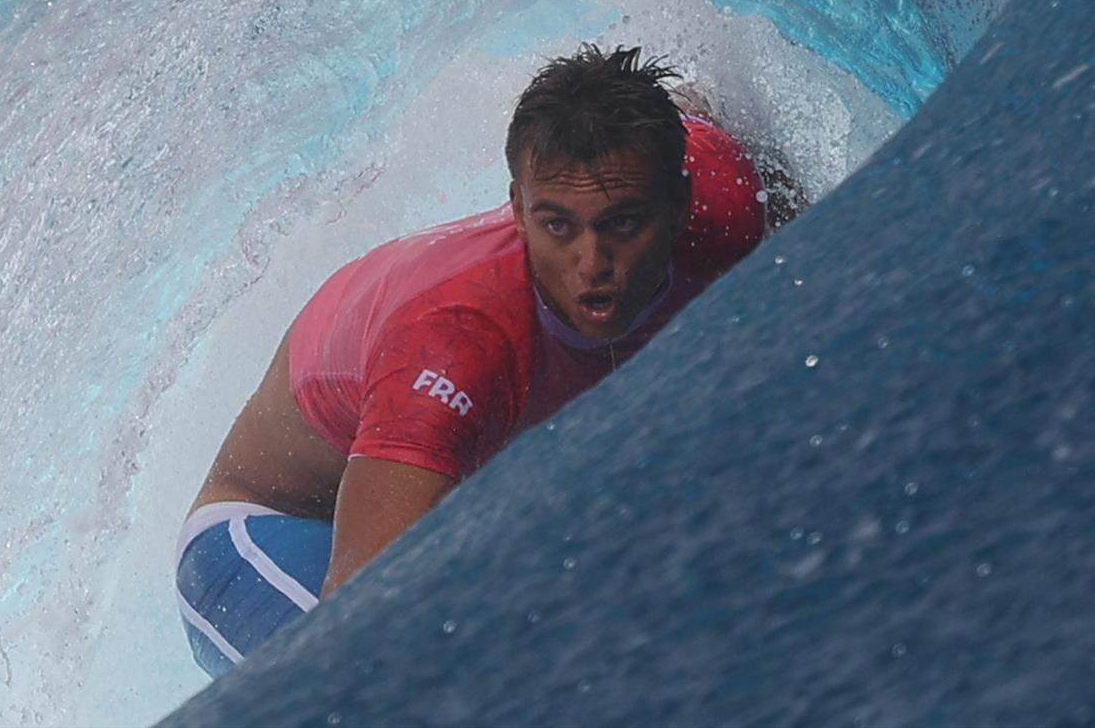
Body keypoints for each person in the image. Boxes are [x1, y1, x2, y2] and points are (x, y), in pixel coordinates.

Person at [175, 45, 790, 677]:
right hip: (265, 543)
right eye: (558, 226)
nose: (592, 264)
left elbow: (698, 113)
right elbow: (358, 631)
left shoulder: (725, 207)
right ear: (519, 210)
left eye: (623, 224)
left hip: (452, 518)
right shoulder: (457, 345)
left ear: (680, 203)